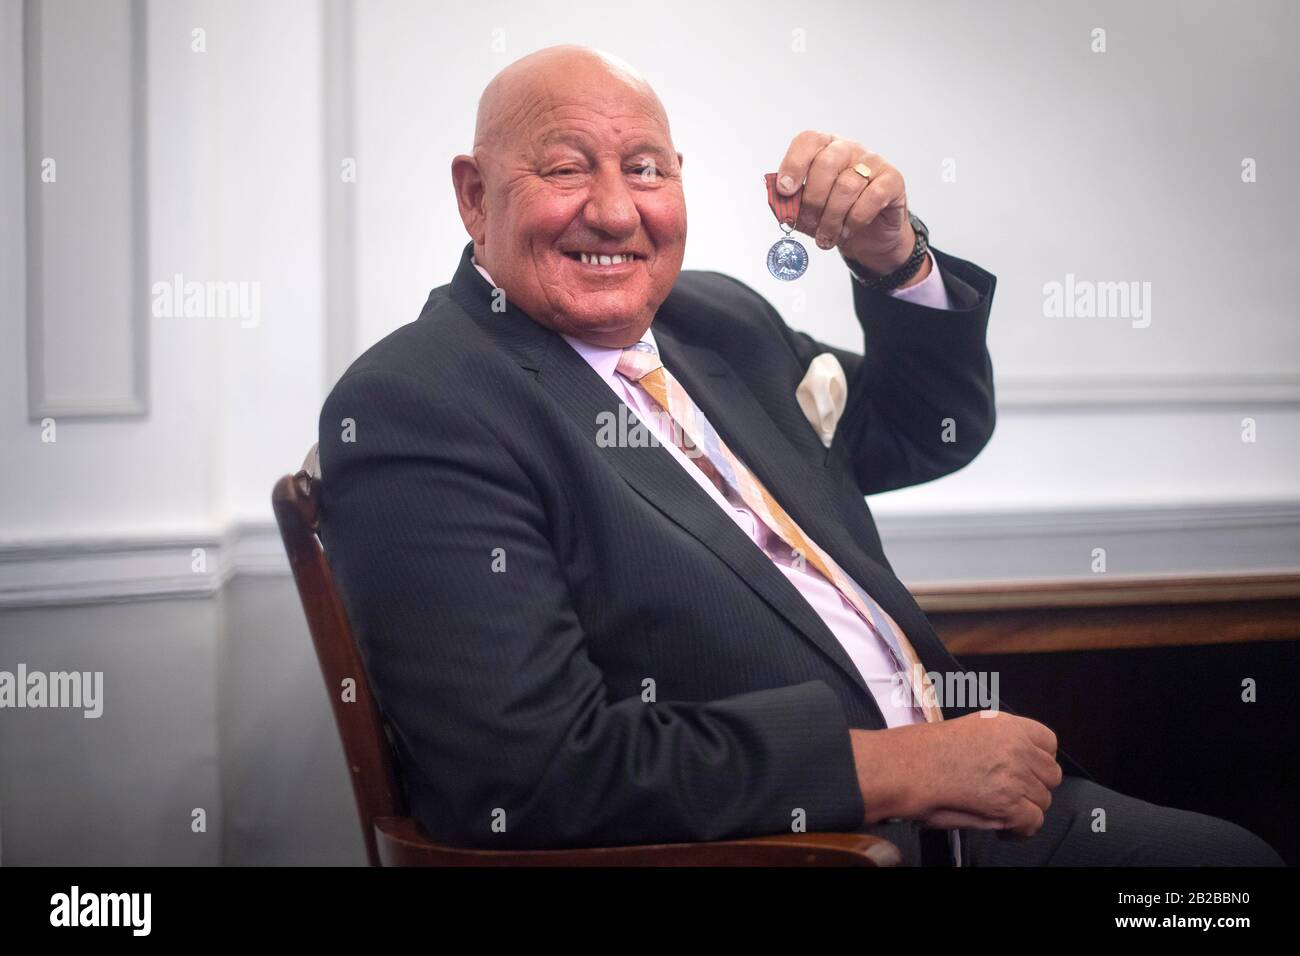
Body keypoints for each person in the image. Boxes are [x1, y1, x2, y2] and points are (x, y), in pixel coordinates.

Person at [318, 45, 1282, 866]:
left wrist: (893, 258)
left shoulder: (716, 320)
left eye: (647, 169)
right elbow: (530, 775)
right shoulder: (420, 404)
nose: (616, 212)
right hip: (794, 846)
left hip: (975, 807)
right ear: (474, 194)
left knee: (1225, 876)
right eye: (566, 169)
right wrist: (900, 765)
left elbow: (924, 426)